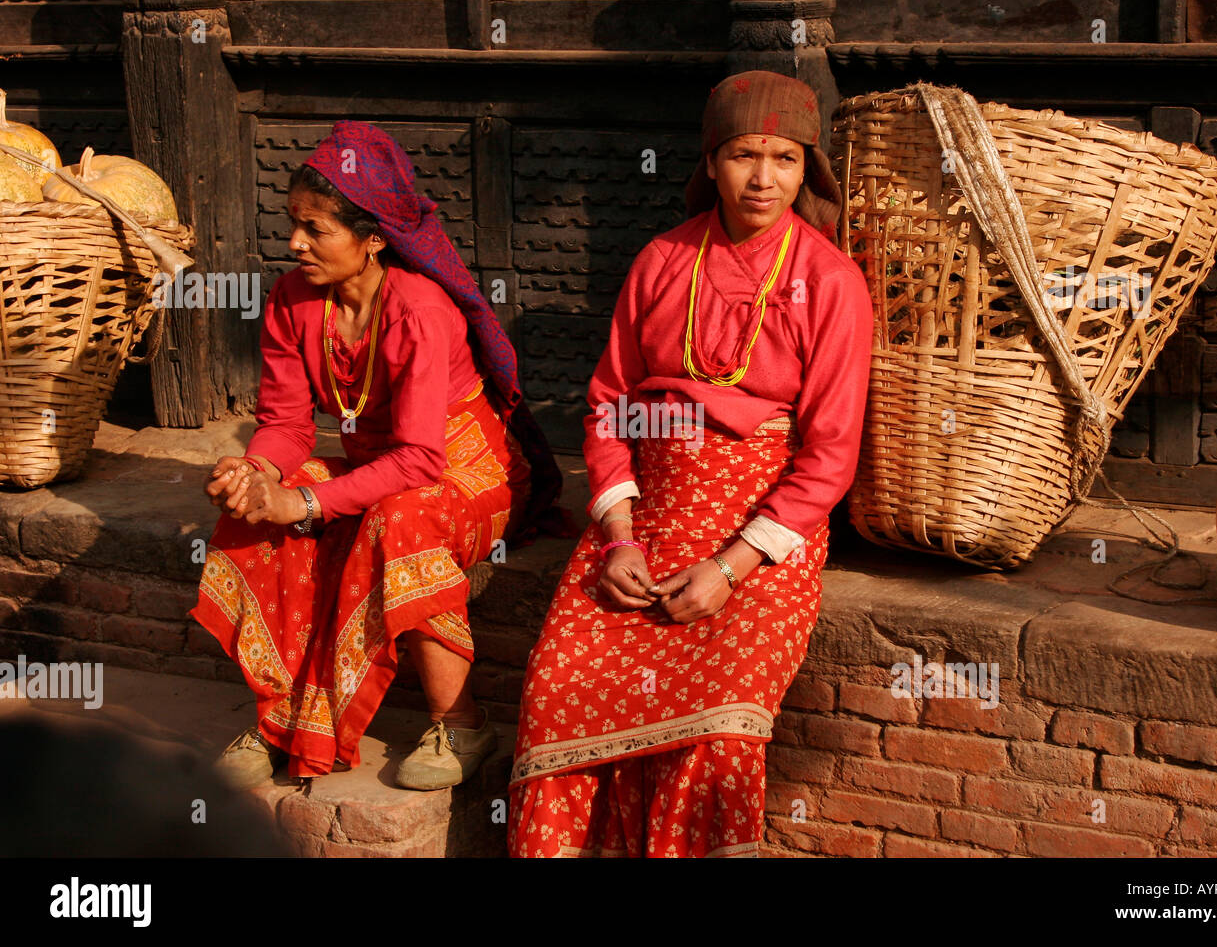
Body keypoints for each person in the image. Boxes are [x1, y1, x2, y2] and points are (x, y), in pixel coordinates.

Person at [507, 70, 873, 856]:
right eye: (745, 155)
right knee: (554, 687)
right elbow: (608, 405)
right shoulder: (662, 261)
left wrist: (732, 568)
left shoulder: (832, 282)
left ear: (808, 167)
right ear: (711, 161)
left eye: (785, 158)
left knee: (720, 727)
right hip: (650, 512)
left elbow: (831, 453)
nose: (764, 178)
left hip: (763, 529)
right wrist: (618, 535)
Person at [190, 121, 560, 792]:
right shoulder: (292, 300)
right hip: (377, 469)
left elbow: (421, 460)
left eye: (316, 229)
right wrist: (259, 473)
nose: (295, 243)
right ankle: (282, 715)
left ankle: (464, 723)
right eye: (293, 224)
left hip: (462, 473)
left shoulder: (418, 311)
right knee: (254, 514)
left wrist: (304, 500)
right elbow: (284, 423)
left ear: (374, 238)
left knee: (401, 519)